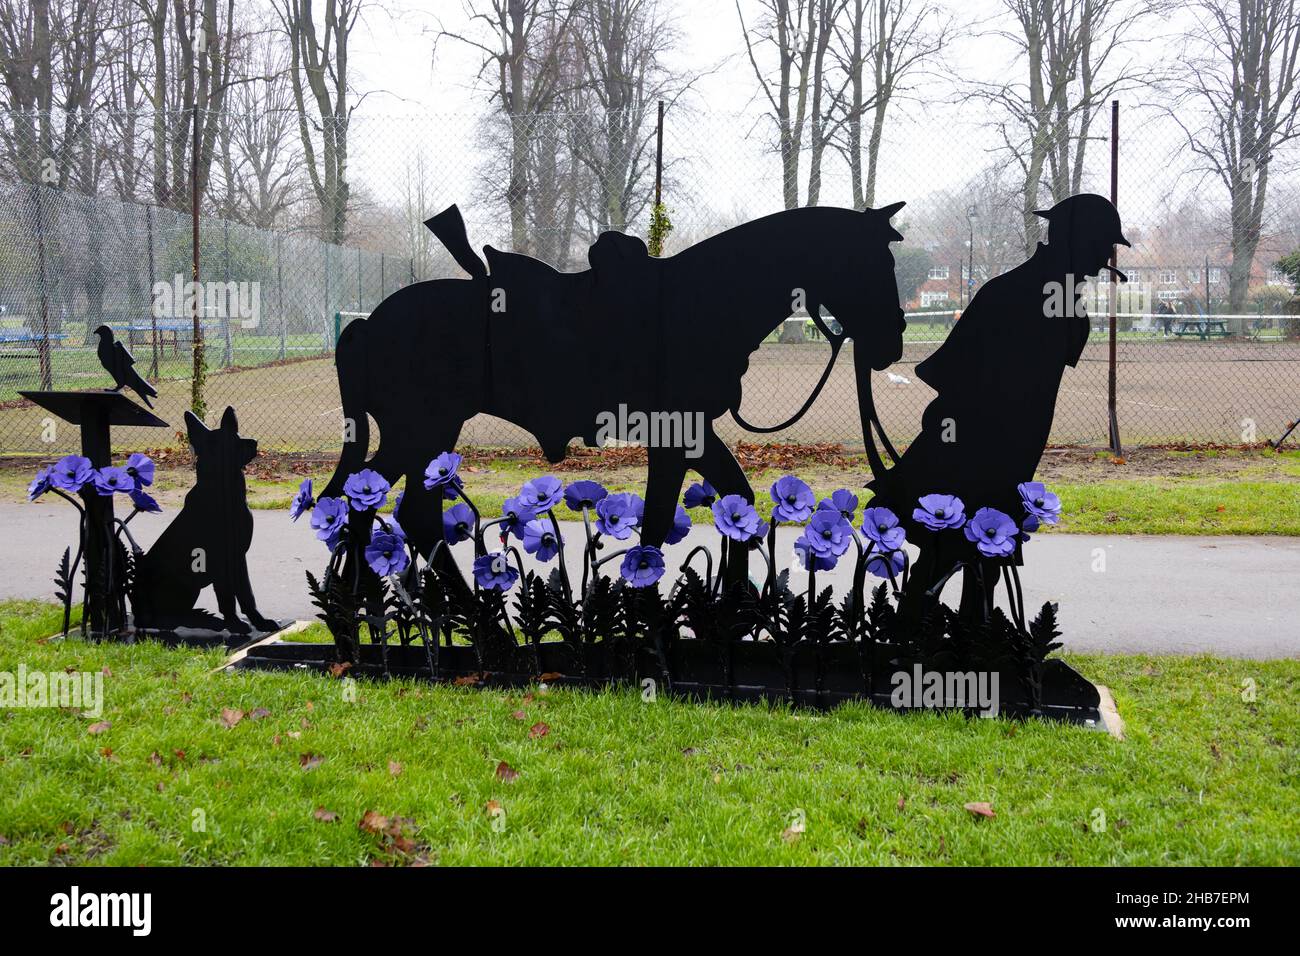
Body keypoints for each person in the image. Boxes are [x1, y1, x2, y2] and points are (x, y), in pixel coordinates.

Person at [871, 193, 1130, 621]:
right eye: (1101, 244)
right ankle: (920, 636)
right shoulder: (1025, 295)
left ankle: (969, 635)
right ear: (1077, 241)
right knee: (952, 550)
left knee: (980, 558)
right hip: (974, 451)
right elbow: (953, 373)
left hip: (1004, 451)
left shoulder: (1055, 298)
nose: (1106, 256)